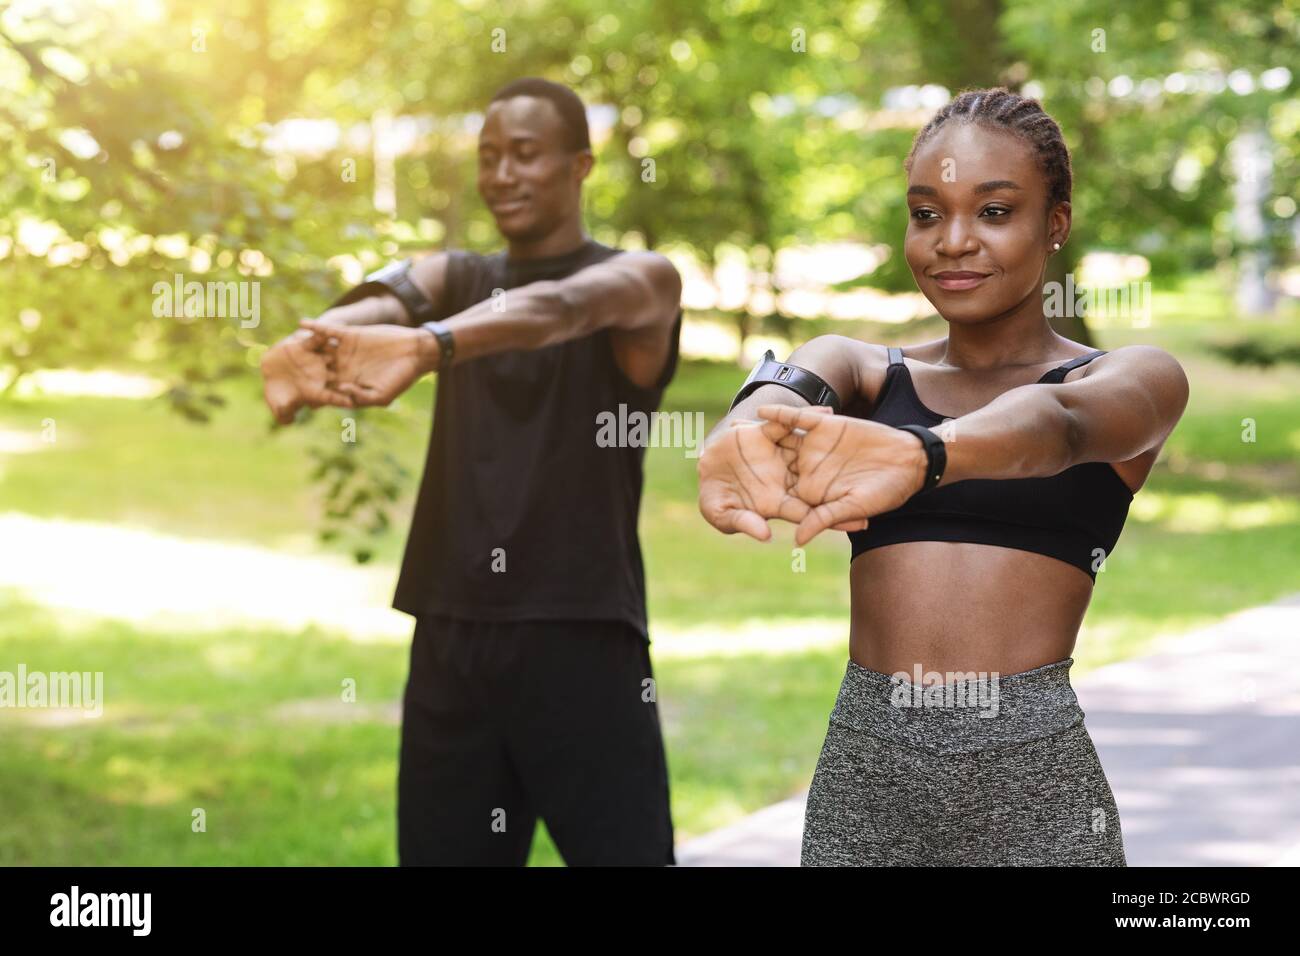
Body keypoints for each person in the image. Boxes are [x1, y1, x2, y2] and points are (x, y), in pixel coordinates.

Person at [697, 87, 1189, 866]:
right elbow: (797, 376)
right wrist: (748, 419)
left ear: (1054, 223)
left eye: (994, 211)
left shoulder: (1131, 378)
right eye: (927, 214)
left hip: (1033, 784)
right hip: (866, 772)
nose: (953, 241)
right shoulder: (867, 368)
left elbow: (1055, 426)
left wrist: (926, 453)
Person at [260, 77, 683, 866]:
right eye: (489, 157)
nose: (501, 175)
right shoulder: (453, 276)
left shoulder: (642, 280)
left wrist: (429, 347)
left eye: (525, 155)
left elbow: (559, 309)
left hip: (582, 637)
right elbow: (387, 299)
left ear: (580, 165)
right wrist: (313, 342)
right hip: (451, 633)